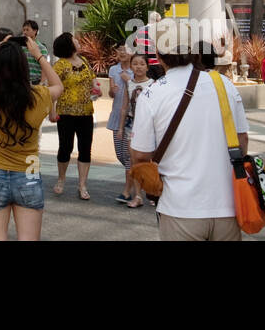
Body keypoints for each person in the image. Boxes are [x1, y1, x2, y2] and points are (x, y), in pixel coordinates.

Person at [130, 21, 249, 241]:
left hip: (179, 206)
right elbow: (242, 142)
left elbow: (140, 155)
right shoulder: (224, 84)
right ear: (192, 50)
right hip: (228, 205)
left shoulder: (151, 94)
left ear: (158, 54)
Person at [0, 34, 63, 240]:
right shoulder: (38, 96)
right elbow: (58, 86)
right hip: (28, 171)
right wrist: (38, 56)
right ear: (23, 67)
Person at [50, 32, 96, 200]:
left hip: (86, 112)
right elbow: (52, 89)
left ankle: (82, 185)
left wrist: (95, 87)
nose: (77, 41)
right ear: (68, 45)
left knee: (85, 149)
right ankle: (61, 179)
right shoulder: (60, 65)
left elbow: (93, 80)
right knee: (65, 148)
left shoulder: (84, 61)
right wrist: (51, 110)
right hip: (65, 113)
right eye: (74, 40)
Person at [120, 52, 152, 208]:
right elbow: (124, 107)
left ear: (147, 66)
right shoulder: (129, 84)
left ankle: (153, 191)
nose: (138, 67)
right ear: (131, 66)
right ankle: (138, 195)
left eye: (142, 64)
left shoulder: (153, 84)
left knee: (150, 160)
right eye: (135, 64)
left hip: (148, 126)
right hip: (131, 125)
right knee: (134, 162)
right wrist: (120, 128)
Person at [107, 47, 134, 203]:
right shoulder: (113, 69)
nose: (122, 53)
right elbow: (111, 94)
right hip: (117, 115)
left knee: (128, 156)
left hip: (132, 118)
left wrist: (128, 80)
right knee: (120, 155)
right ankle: (138, 175)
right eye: (119, 50)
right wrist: (112, 90)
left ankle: (127, 191)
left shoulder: (136, 68)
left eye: (125, 50)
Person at [21, 20, 49, 85]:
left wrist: (42, 83)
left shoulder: (42, 48)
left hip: (36, 83)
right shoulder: (21, 47)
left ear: (35, 31)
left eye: (27, 30)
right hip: (23, 83)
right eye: (24, 30)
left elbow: (44, 67)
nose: (24, 32)